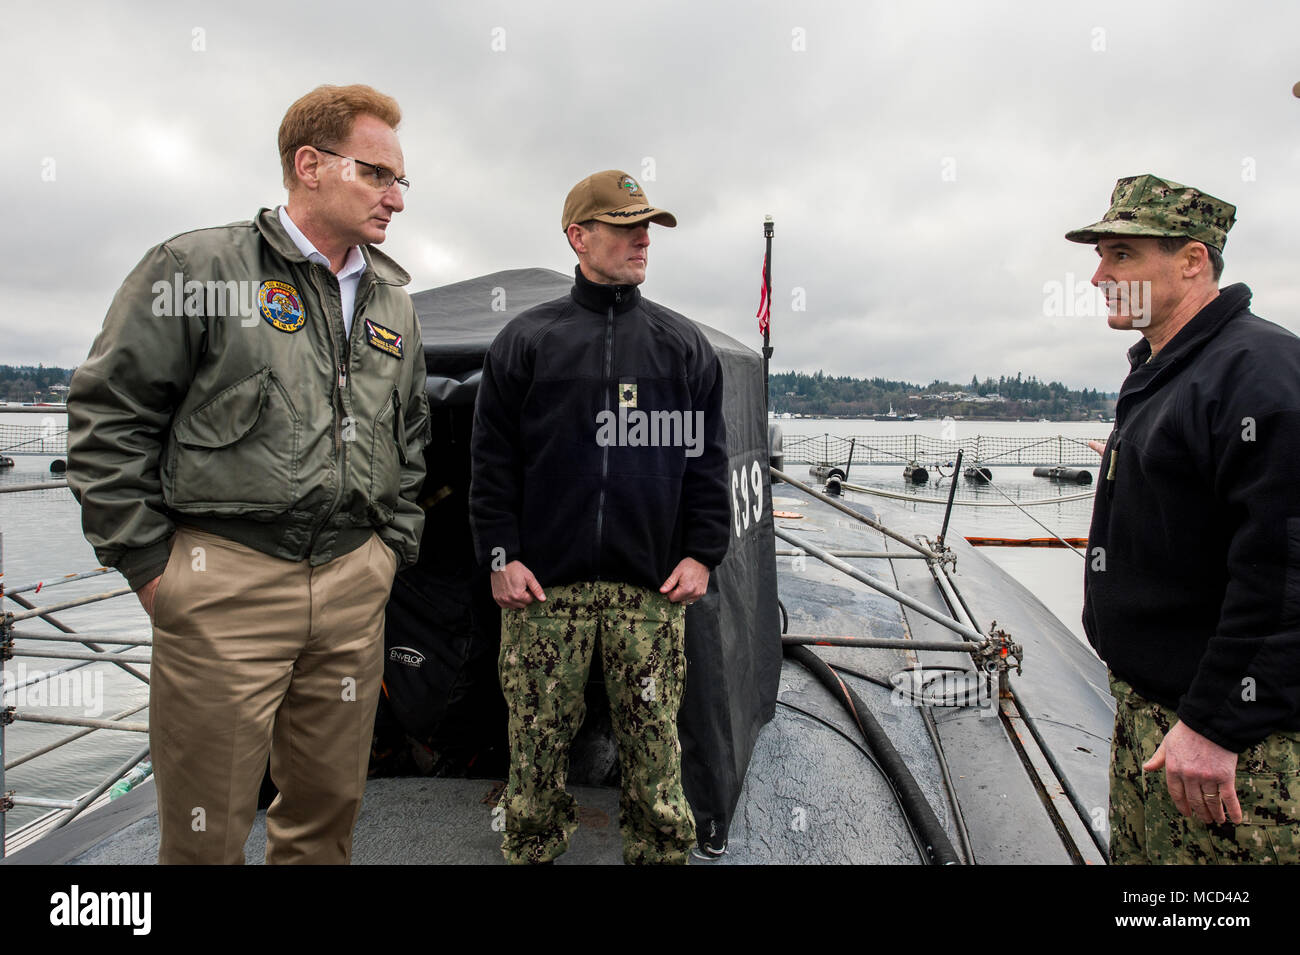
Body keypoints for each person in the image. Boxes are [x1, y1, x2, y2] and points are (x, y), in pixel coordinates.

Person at [66, 84, 430, 864]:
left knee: (328, 818)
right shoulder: (197, 267)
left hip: (351, 583)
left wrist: (388, 550)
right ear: (309, 165)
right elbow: (109, 417)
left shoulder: (394, 301)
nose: (397, 197)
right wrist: (151, 568)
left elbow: (411, 435)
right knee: (205, 831)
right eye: (378, 174)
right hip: (221, 581)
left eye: (402, 180)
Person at [468, 169, 730, 864]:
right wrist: (500, 555)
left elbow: (707, 465)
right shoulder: (526, 342)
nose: (643, 238)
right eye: (625, 225)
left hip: (649, 591)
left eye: (648, 226)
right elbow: (491, 465)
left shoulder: (684, 347)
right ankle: (532, 849)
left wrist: (704, 552)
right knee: (535, 745)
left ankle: (660, 853)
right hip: (543, 591)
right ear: (578, 237)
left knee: (654, 747)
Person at [1070, 174, 1300, 864]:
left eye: (1120, 254)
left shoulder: (1260, 373)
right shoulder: (1169, 368)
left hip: (1235, 752)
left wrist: (1216, 723)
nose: (1097, 275)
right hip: (1154, 723)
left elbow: (1287, 572)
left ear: (1193, 260)